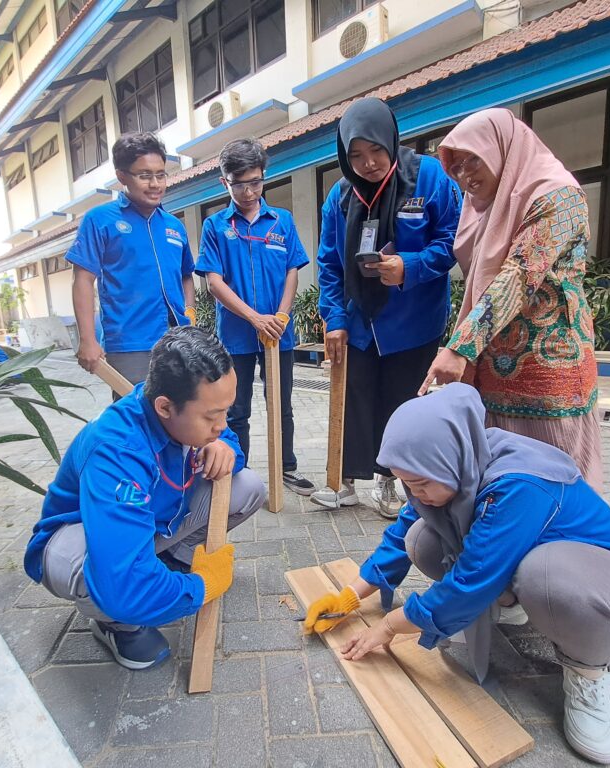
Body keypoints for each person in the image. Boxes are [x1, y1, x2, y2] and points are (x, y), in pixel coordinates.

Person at [304, 384, 610, 765]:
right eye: (407, 484)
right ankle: (512, 602)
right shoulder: (460, 456)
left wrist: (389, 626)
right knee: (423, 538)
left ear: (449, 458)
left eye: (422, 484)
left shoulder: (517, 482)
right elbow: (400, 537)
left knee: (545, 577)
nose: (415, 494)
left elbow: (471, 580)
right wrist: (349, 596)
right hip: (547, 563)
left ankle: (589, 670)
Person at [24, 327, 265, 670]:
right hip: (80, 543)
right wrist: (201, 586)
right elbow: (121, 583)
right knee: (119, 587)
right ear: (165, 407)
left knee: (247, 486)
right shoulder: (117, 450)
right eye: (212, 417)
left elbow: (226, 439)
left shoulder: (182, 408)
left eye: (225, 411)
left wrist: (227, 447)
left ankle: (170, 568)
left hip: (145, 525)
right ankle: (115, 622)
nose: (222, 424)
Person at [420, 108, 603, 490]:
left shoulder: (557, 197)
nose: (466, 174)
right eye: (457, 167)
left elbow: (519, 275)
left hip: (550, 373)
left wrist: (460, 348)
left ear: (502, 147)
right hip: (494, 376)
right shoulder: (483, 210)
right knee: (503, 483)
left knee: (557, 482)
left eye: (474, 158)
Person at [313, 97, 461, 518]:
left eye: (376, 150)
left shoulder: (429, 176)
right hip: (359, 319)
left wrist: (410, 266)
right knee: (354, 398)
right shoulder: (341, 196)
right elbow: (328, 263)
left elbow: (452, 241)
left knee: (402, 403)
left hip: (413, 321)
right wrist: (335, 319)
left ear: (391, 140)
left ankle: (391, 482)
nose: (369, 163)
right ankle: (342, 481)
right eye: (355, 155)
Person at [195, 138, 315, 497]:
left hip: (279, 333)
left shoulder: (282, 220)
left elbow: (293, 269)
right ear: (224, 182)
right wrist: (254, 318)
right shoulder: (215, 227)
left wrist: (280, 315)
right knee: (236, 408)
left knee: (282, 404)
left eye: (256, 182)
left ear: (264, 178)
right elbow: (214, 282)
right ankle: (239, 471)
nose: (248, 191)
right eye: (239, 183)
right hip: (235, 337)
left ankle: (286, 467)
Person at [66, 132, 196, 392]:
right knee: (134, 419)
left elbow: (186, 275)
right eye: (145, 175)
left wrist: (189, 315)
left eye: (161, 174)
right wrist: (88, 339)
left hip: (177, 339)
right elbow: (83, 279)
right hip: (129, 343)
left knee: (179, 417)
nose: (155, 183)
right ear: (122, 176)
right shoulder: (100, 220)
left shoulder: (173, 225)